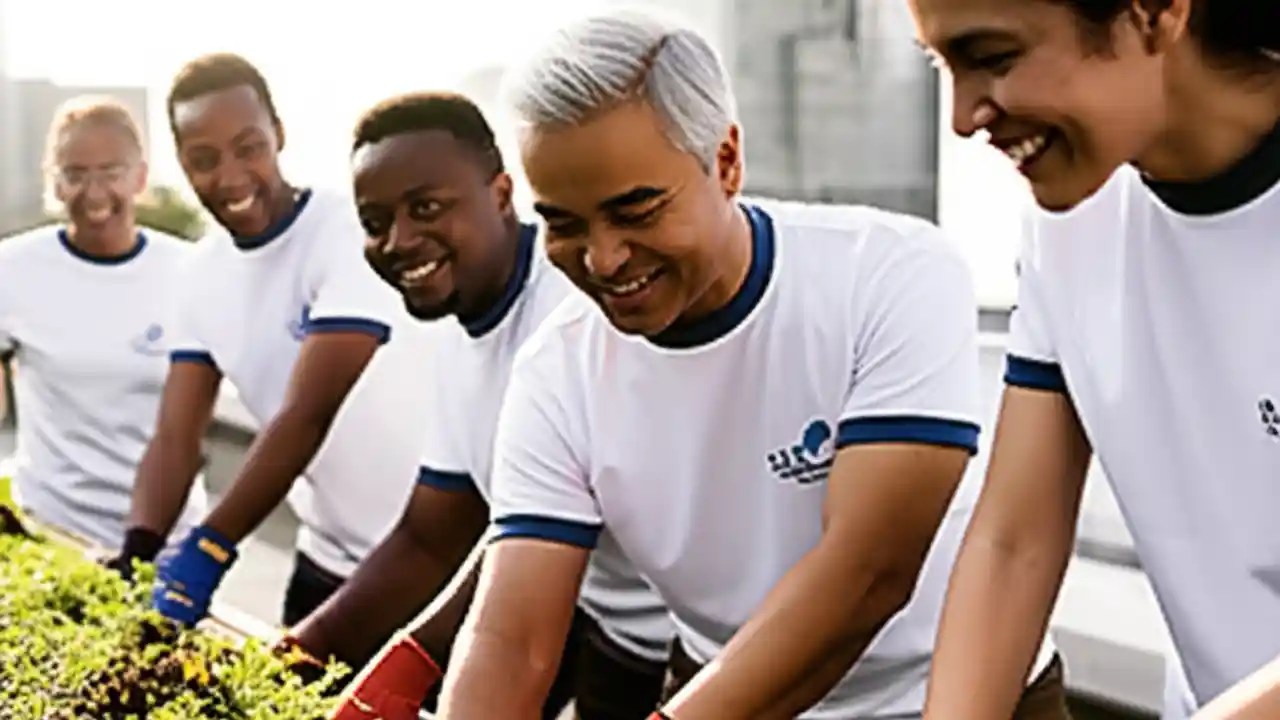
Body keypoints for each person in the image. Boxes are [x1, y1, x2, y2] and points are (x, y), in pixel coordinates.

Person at [430, 7, 1064, 719]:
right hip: (719, 694)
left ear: (726, 161)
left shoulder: (889, 277)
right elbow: (510, 639)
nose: (603, 259)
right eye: (565, 225)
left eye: (637, 212)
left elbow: (868, 574)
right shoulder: (557, 373)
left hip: (957, 699)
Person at [908, 0, 1280, 717]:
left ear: (1154, 13)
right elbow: (1013, 543)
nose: (961, 117)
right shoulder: (1072, 225)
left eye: (993, 58)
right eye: (942, 67)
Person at [285, 92, 673, 720]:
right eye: (375, 220)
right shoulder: (462, 336)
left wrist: (409, 659)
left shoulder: (576, 311)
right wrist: (306, 651)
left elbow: (535, 535)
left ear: (500, 193)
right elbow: (430, 536)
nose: (400, 240)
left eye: (427, 207)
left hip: (704, 647)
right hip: (616, 635)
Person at [108, 52, 431, 627]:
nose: (231, 177)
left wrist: (209, 548)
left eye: (249, 147)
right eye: (204, 159)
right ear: (181, 163)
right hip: (325, 557)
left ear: (279, 134)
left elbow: (307, 412)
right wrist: (139, 547)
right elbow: (177, 434)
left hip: (425, 561)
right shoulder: (198, 274)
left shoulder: (346, 232)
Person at [0, 95, 208, 550]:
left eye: (111, 173)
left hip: (170, 541)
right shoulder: (11, 269)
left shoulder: (194, 271)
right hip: (47, 535)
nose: (94, 194)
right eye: (74, 174)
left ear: (139, 177)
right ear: (54, 182)